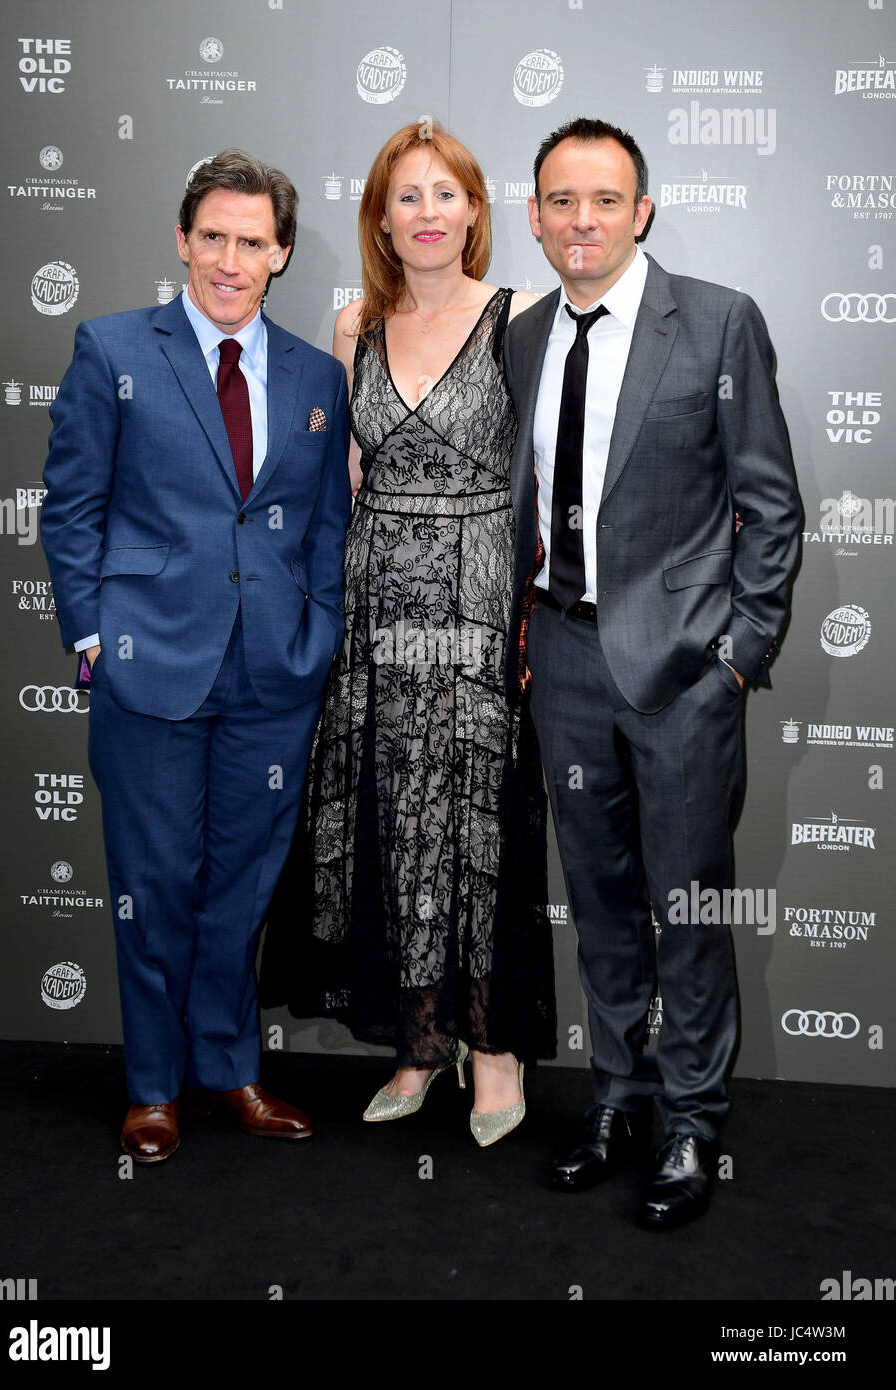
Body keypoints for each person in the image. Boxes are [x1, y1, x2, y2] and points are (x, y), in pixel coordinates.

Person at [504, 117, 800, 1223]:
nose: (581, 221)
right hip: (564, 659)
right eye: (560, 201)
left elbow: (768, 503)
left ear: (641, 212)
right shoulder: (526, 337)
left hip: (681, 673)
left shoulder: (717, 323)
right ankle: (618, 1098)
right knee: (600, 904)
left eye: (603, 200)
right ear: (535, 216)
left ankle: (689, 1124)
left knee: (685, 904)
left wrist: (738, 655)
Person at [40, 149, 351, 1163]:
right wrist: (93, 643)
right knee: (153, 881)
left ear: (282, 254)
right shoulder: (113, 347)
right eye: (211, 236)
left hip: (273, 674)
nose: (229, 258)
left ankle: (228, 1068)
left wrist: (319, 632)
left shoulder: (315, 376)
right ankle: (151, 1085)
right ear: (183, 241)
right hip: (148, 666)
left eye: (251, 242)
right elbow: (73, 508)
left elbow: (325, 528)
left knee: (241, 887)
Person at [265, 122, 555, 1145]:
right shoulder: (353, 328)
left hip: (480, 613)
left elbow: (549, 478)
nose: (426, 213)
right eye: (406, 197)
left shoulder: (523, 321)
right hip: (376, 611)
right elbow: (339, 480)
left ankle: (496, 1051)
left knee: (477, 829)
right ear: (380, 219)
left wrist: (529, 614)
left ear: (474, 211)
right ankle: (420, 1039)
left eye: (445, 194)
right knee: (396, 822)